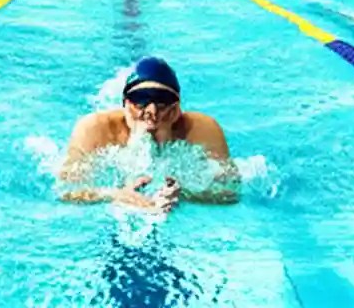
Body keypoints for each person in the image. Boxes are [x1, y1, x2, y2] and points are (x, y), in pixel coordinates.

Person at [57, 57, 239, 212]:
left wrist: (184, 194)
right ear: (126, 104)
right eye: (141, 101)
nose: (152, 112)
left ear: (176, 109)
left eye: (162, 102)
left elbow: (230, 191)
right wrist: (115, 194)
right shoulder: (95, 129)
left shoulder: (201, 130)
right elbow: (66, 190)